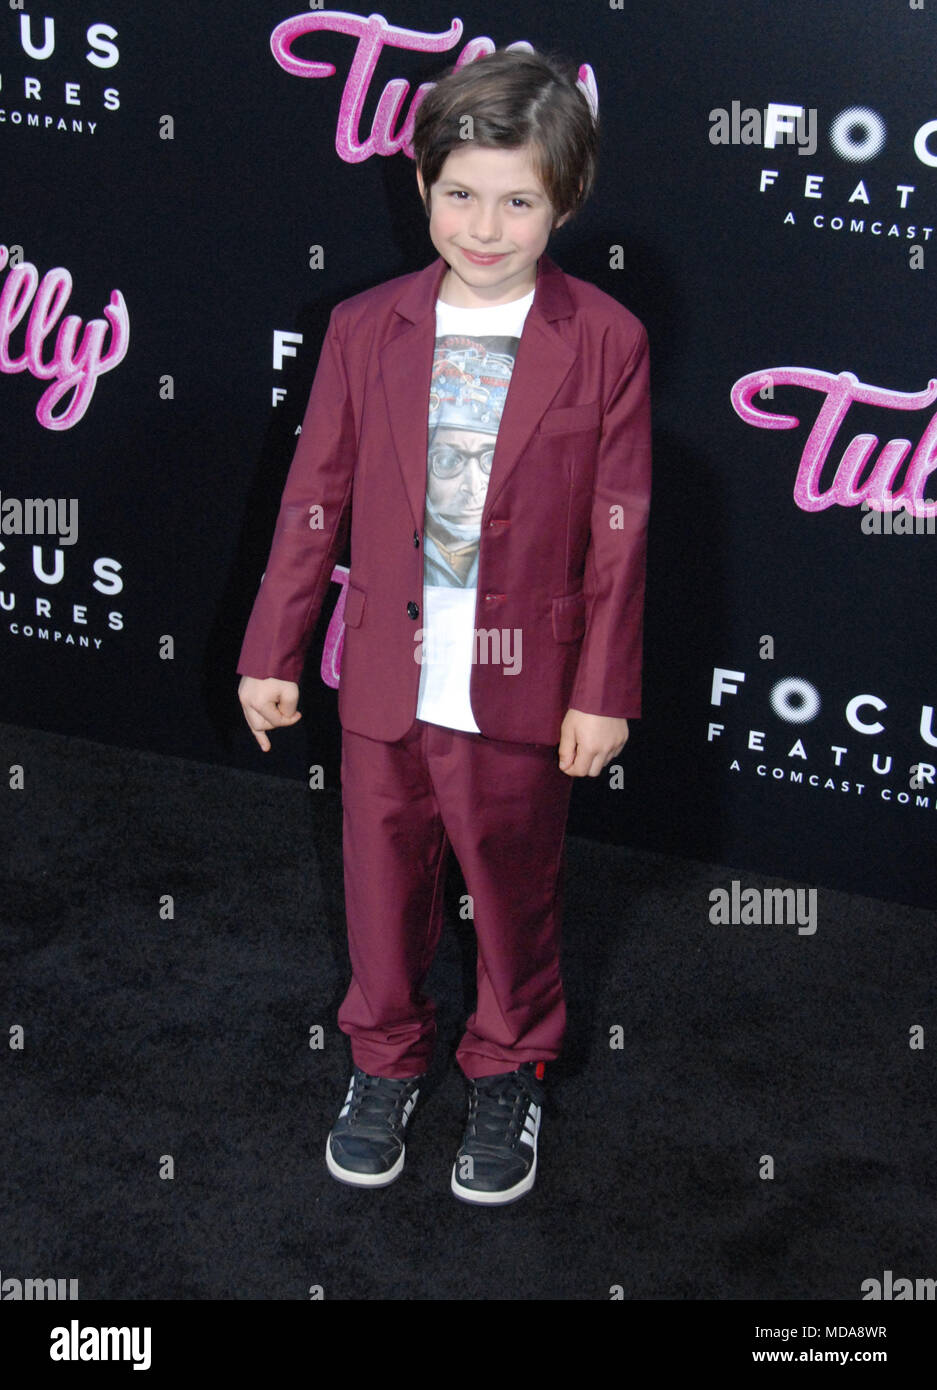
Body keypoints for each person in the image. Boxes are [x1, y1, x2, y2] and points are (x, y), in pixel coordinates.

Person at [237, 46, 652, 1206]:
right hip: (383, 670)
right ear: (421, 184)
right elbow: (313, 496)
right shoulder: (364, 326)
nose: (484, 226)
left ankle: (509, 1063)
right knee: (379, 886)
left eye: (518, 201)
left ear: (565, 201)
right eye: (460, 193)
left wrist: (602, 690)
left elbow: (620, 530)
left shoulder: (605, 337)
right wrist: (271, 649)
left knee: (514, 890)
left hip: (521, 682)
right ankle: (383, 1058)